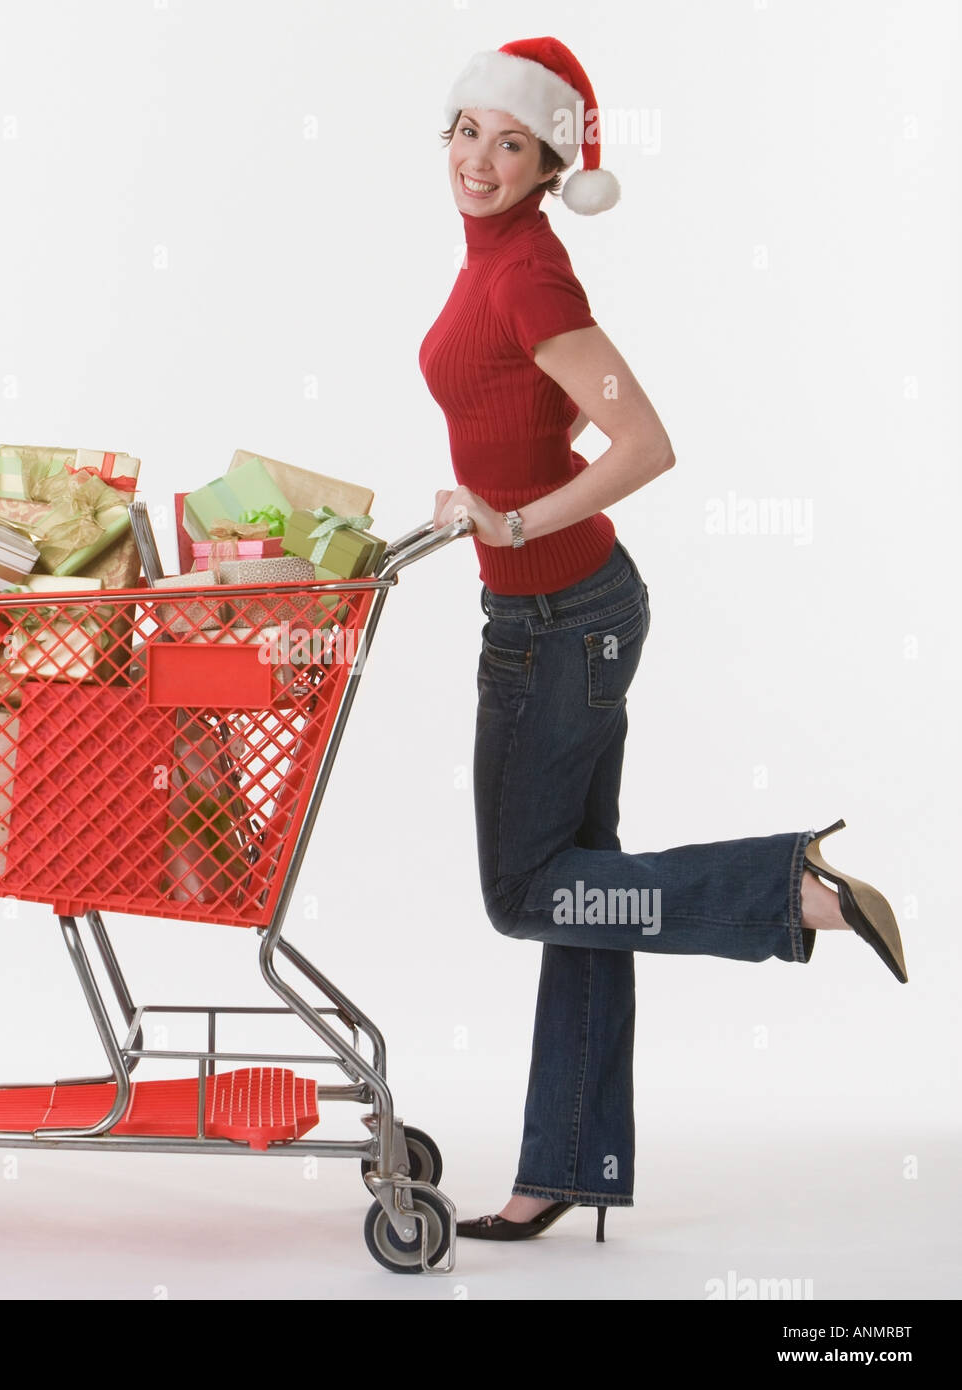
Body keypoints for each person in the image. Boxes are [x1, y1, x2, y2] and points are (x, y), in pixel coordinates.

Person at [419, 36, 909, 1245]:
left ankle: (786, 893)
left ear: (547, 164)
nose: (480, 160)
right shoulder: (493, 259)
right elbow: (523, 428)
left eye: (511, 143)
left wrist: (516, 518)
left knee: (525, 892)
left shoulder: (531, 273)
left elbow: (645, 446)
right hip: (551, 611)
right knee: (580, 891)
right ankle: (564, 1164)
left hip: (560, 621)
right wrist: (484, 504)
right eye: (467, 131)